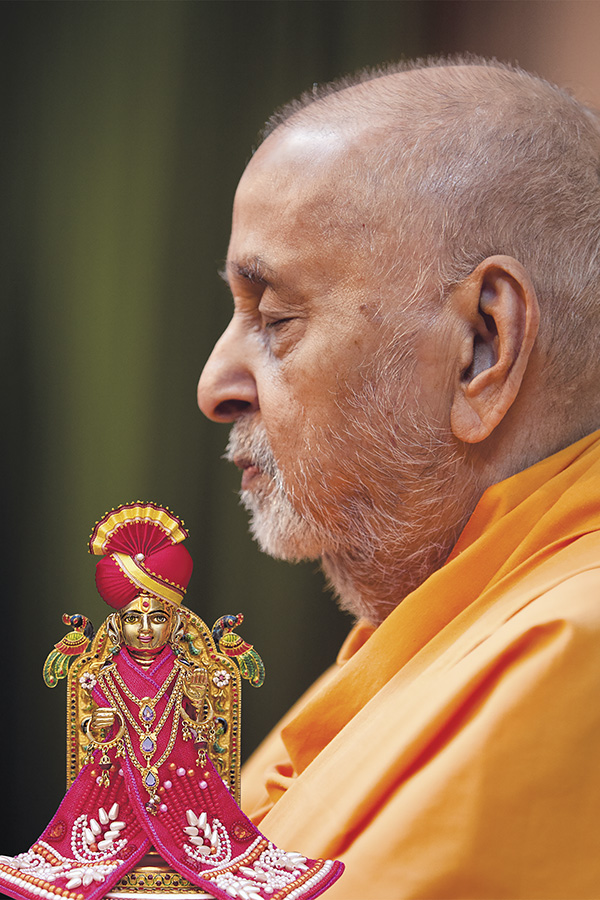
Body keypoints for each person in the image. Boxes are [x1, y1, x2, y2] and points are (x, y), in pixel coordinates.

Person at [196, 56, 600, 898]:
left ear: (482, 348)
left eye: (276, 317)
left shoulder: (571, 657)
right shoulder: (436, 630)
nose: (215, 386)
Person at [0, 502, 342, 900]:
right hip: (117, 787)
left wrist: (197, 704)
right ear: (119, 625)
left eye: (157, 617)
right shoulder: (104, 675)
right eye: (134, 618)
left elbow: (204, 735)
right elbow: (95, 739)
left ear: (174, 623)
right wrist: (101, 727)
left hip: (183, 784)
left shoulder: (189, 672)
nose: (145, 628)